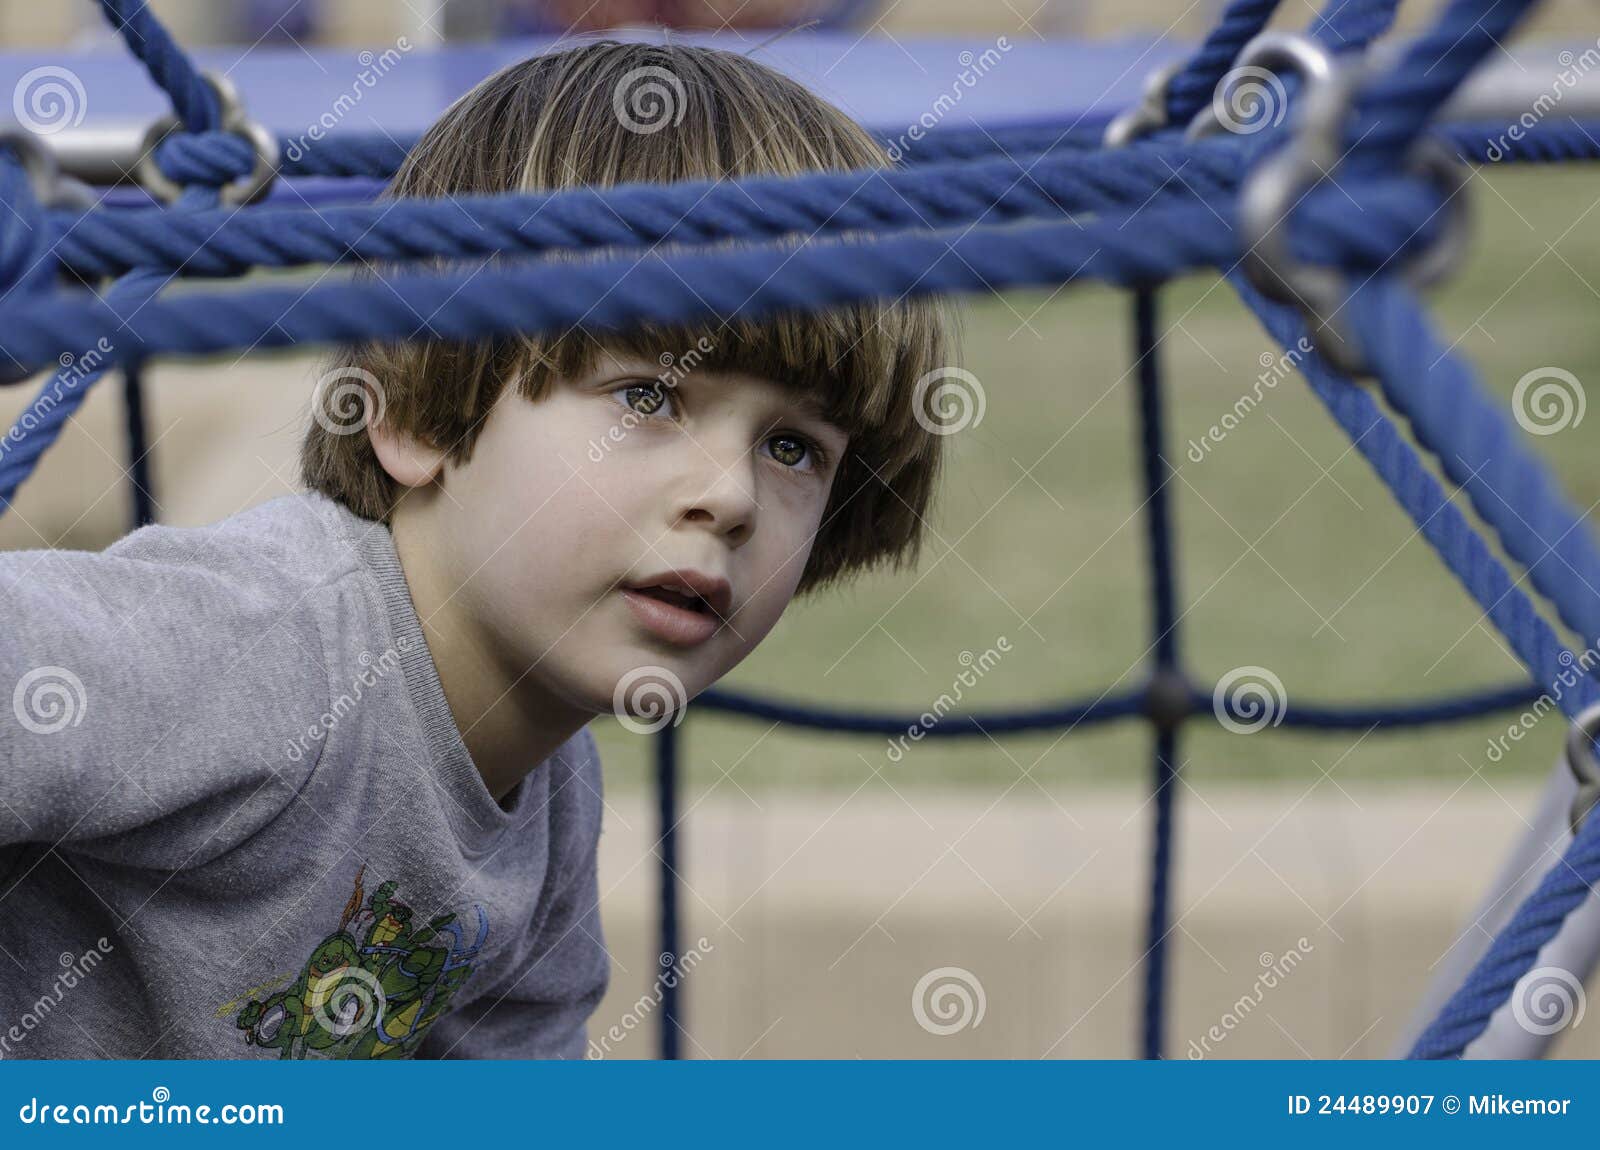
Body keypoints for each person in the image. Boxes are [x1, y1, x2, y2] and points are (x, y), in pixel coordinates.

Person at [0, 38, 951, 1059]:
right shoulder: (263, 650)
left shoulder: (550, 789)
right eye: (647, 396)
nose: (730, 495)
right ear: (412, 412)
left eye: (792, 447)